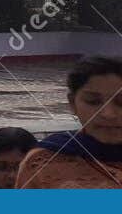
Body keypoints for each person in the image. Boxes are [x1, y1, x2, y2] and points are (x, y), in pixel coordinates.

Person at [17, 55, 122, 188]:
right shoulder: (43, 161)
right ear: (72, 103)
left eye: (121, 102)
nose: (108, 114)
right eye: (93, 101)